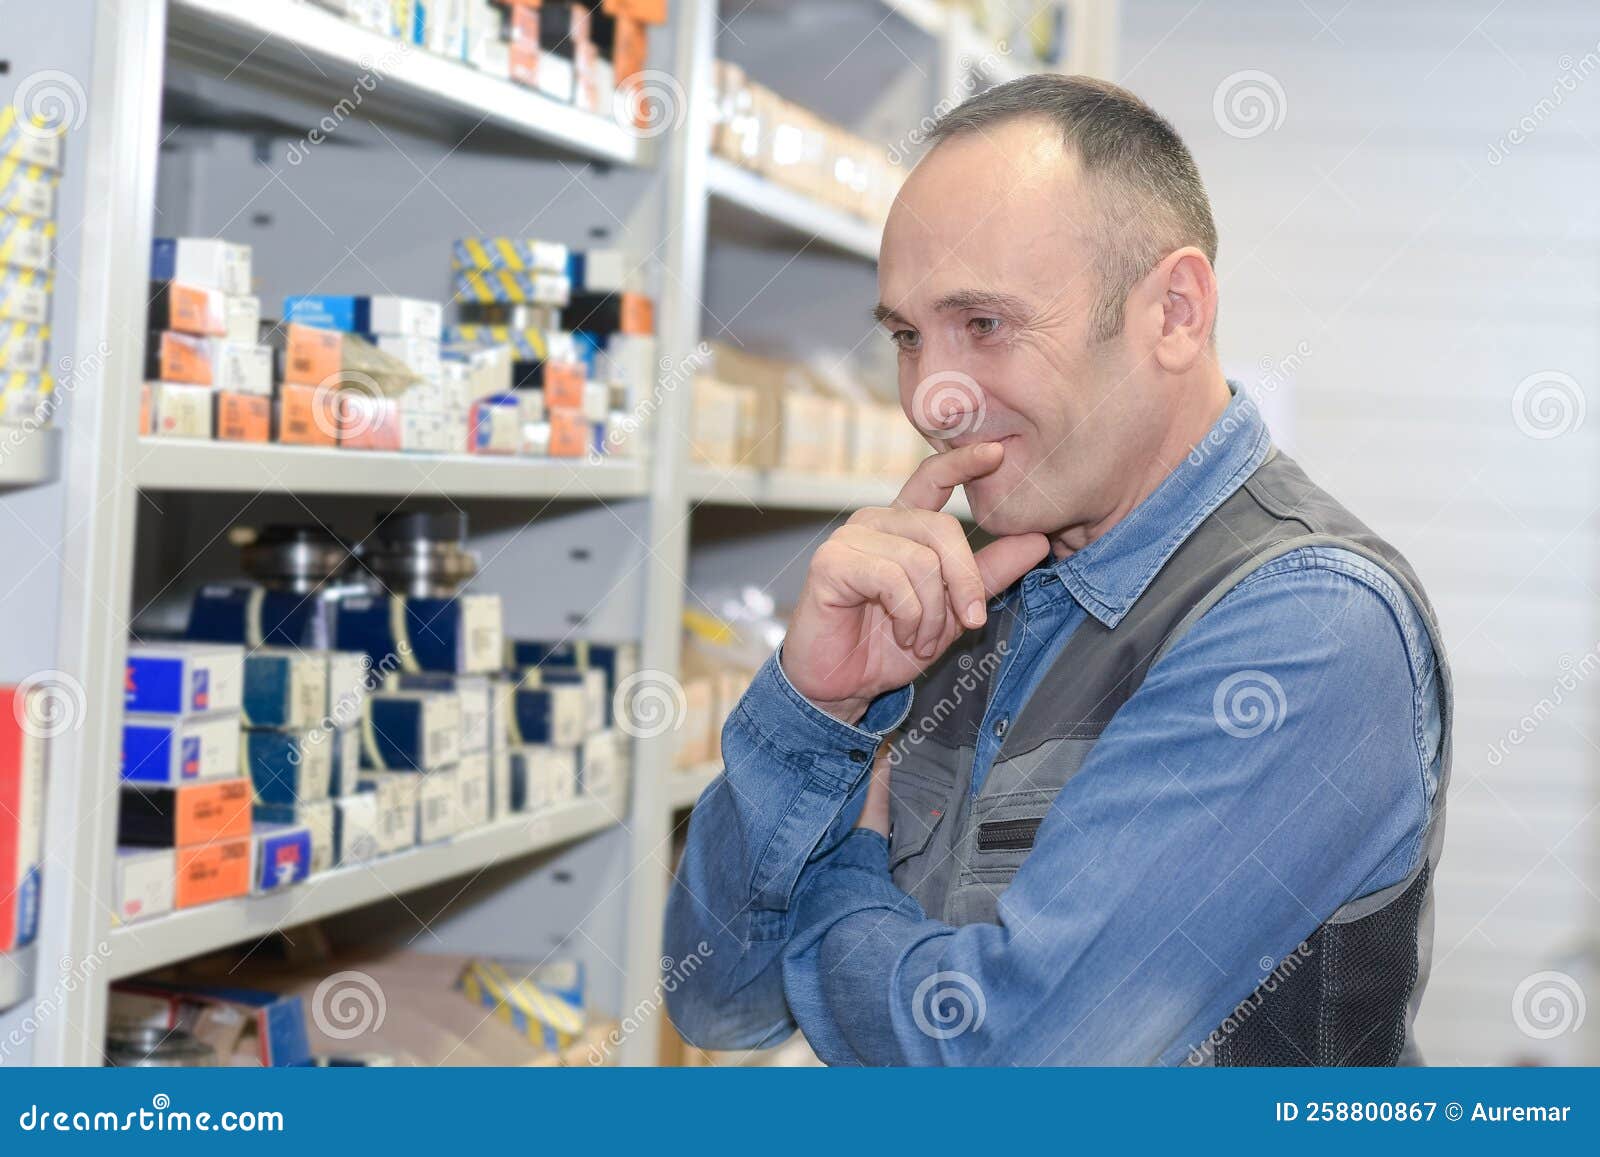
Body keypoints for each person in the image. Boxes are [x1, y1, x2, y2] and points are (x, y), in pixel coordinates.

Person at [663, 74, 1450, 1066]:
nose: (932, 400)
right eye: (908, 336)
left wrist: (840, 884)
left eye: (983, 324)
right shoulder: (962, 586)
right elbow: (715, 997)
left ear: (1173, 311)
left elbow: (1005, 1063)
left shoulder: (1303, 623)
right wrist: (812, 705)